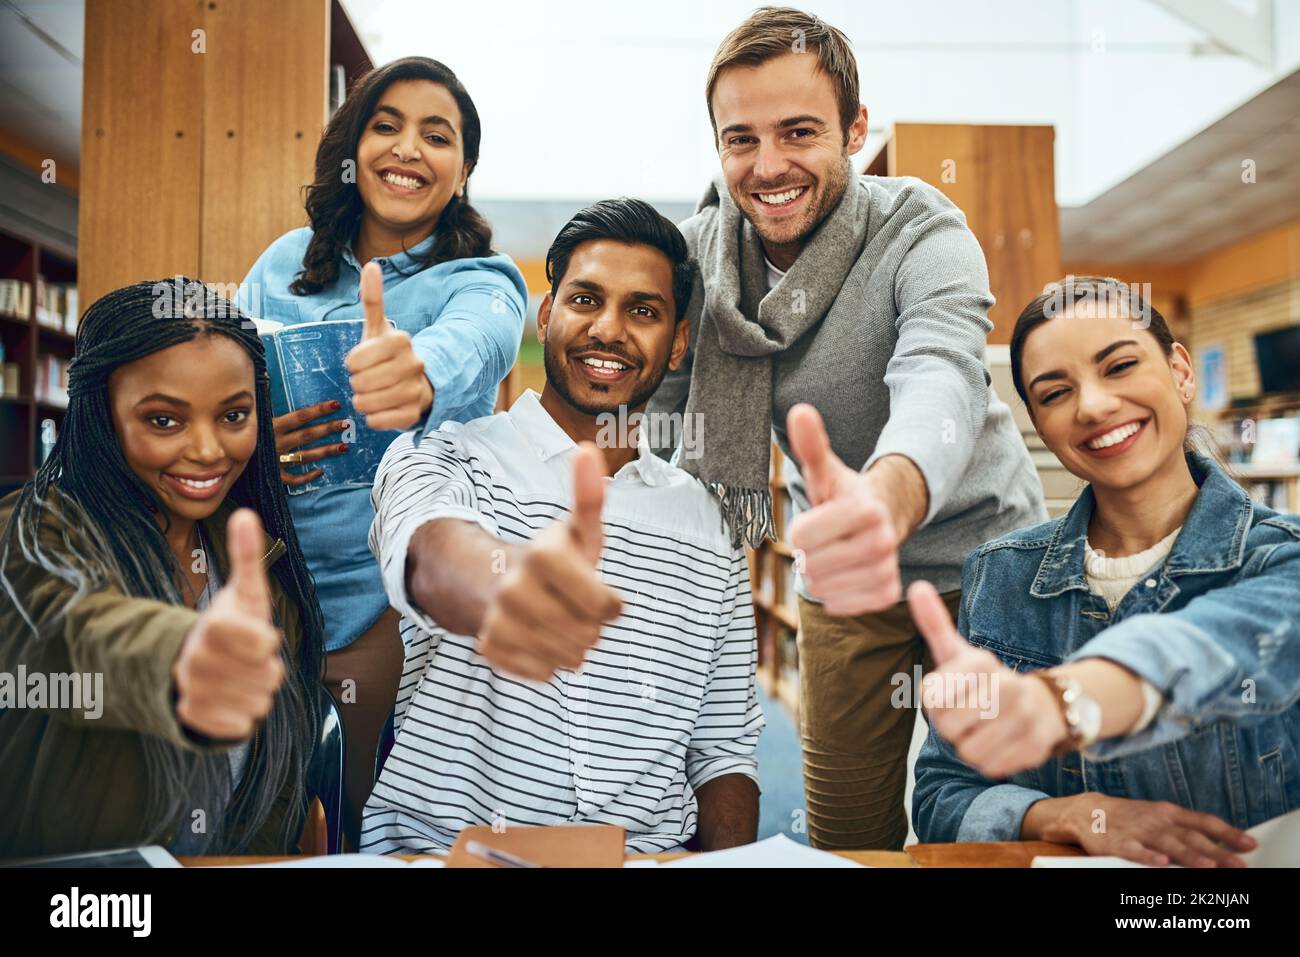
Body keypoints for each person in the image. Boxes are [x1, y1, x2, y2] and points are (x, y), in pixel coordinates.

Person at [646, 6, 1045, 850]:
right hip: (839, 580)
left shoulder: (922, 229)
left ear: (856, 130)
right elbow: (659, 421)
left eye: (798, 132)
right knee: (843, 834)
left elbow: (941, 377)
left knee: (991, 825)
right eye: (740, 139)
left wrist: (886, 500)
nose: (768, 166)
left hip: (986, 560)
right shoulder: (696, 261)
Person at [362, 199, 764, 853]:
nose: (609, 329)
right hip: (446, 855)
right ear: (546, 315)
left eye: (643, 310)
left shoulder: (708, 525)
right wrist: (505, 584)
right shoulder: (444, 453)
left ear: (679, 341)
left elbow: (722, 752)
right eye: (586, 299)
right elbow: (432, 549)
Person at [911, 276, 1299, 867]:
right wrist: (1070, 815)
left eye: (1118, 366)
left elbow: (1222, 644)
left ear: (1181, 371)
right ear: (1039, 424)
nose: (1092, 405)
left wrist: (1062, 703)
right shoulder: (1000, 576)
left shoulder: (1281, 558)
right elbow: (943, 798)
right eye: (1055, 392)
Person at [237, 56, 527, 845]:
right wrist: (253, 437)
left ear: (463, 169)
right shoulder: (278, 266)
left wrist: (416, 374)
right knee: (254, 818)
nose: (407, 148)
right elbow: (221, 385)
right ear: (352, 147)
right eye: (386, 125)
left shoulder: (485, 280)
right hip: (265, 585)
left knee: (361, 820)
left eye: (438, 135)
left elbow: (475, 345)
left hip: (389, 610)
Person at [0, 280, 325, 856]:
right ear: (102, 415)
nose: (206, 449)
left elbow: (274, 771)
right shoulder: (27, 532)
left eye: (233, 415)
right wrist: (181, 660)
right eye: (164, 421)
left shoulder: (253, 556)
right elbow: (73, 633)